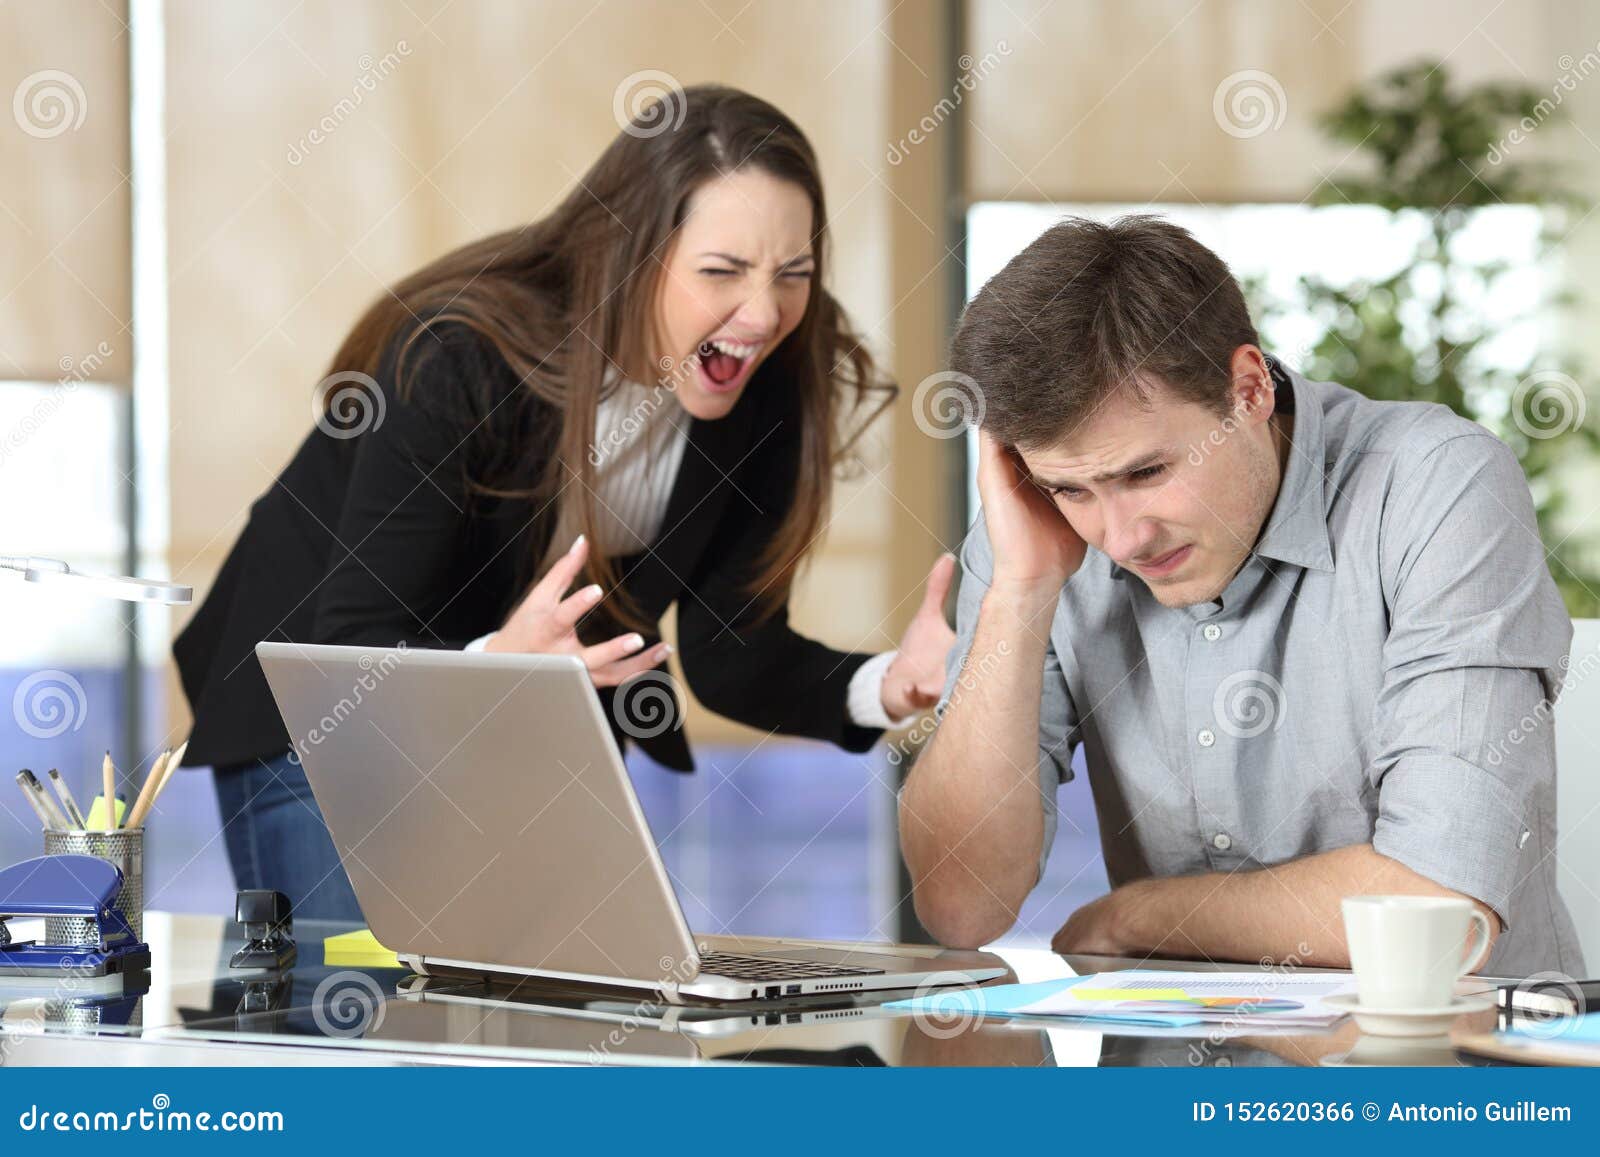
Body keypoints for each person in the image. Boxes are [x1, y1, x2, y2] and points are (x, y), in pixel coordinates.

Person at [173, 85, 955, 919]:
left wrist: (891, 683)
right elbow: (354, 642)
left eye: (792, 274)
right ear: (631, 256)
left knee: (561, 1004)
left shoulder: (766, 386)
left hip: (528, 713)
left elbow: (735, 655)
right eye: (721, 272)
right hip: (326, 710)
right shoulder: (461, 354)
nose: (764, 314)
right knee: (360, 1014)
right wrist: (501, 666)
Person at [900, 214, 1583, 977]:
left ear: (1249, 388)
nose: (1121, 537)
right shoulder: (1039, 529)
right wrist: (1019, 594)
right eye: (1071, 488)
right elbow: (960, 906)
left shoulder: (1437, 485)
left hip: (1437, 1082)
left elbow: (1436, 914)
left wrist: (1141, 915)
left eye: (1147, 473)